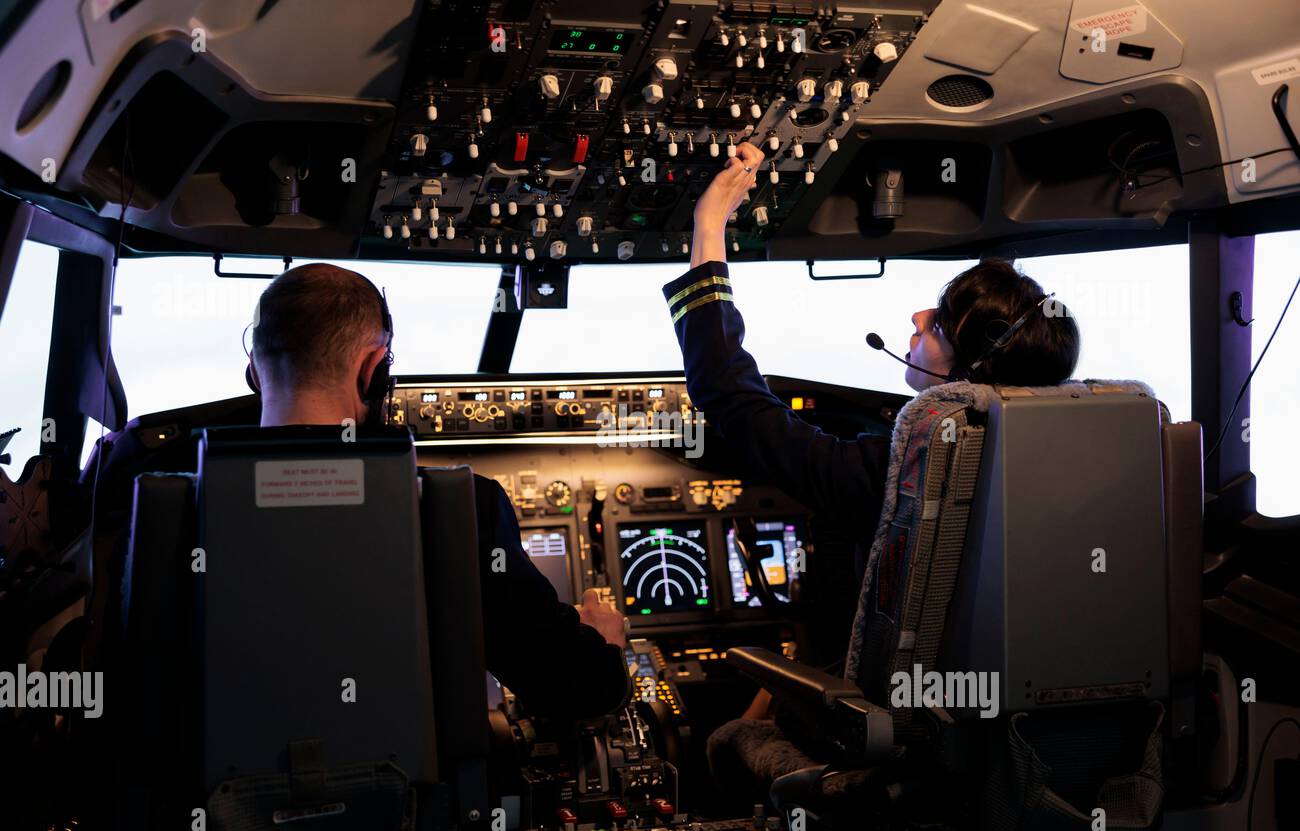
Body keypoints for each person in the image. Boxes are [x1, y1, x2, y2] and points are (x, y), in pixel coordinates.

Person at [665, 142, 1080, 713]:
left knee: (735, 725)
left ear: (968, 369)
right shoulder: (1073, 468)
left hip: (903, 729)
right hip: (1019, 721)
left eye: (939, 318)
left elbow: (728, 393)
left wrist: (709, 226)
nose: (917, 317)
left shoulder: (906, 474)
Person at [245, 263, 633, 720]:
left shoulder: (178, 502)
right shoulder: (455, 508)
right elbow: (580, 690)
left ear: (254, 371)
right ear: (373, 370)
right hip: (409, 789)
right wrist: (602, 639)